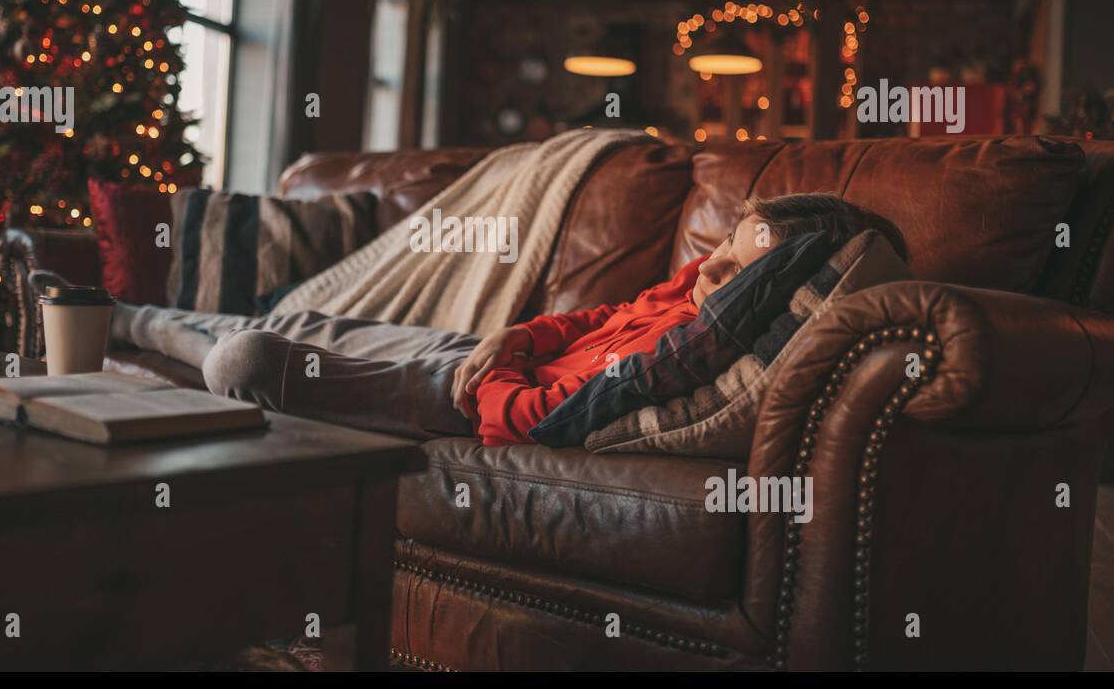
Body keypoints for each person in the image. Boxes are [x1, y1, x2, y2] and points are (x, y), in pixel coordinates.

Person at [107, 192, 907, 446]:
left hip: (462, 397)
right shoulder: (694, 285)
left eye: (734, 272)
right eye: (722, 250)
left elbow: (531, 421)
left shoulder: (695, 348)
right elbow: (601, 312)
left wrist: (499, 378)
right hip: (477, 354)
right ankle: (118, 318)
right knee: (310, 318)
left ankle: (126, 331)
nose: (712, 272)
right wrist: (516, 336)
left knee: (242, 362)